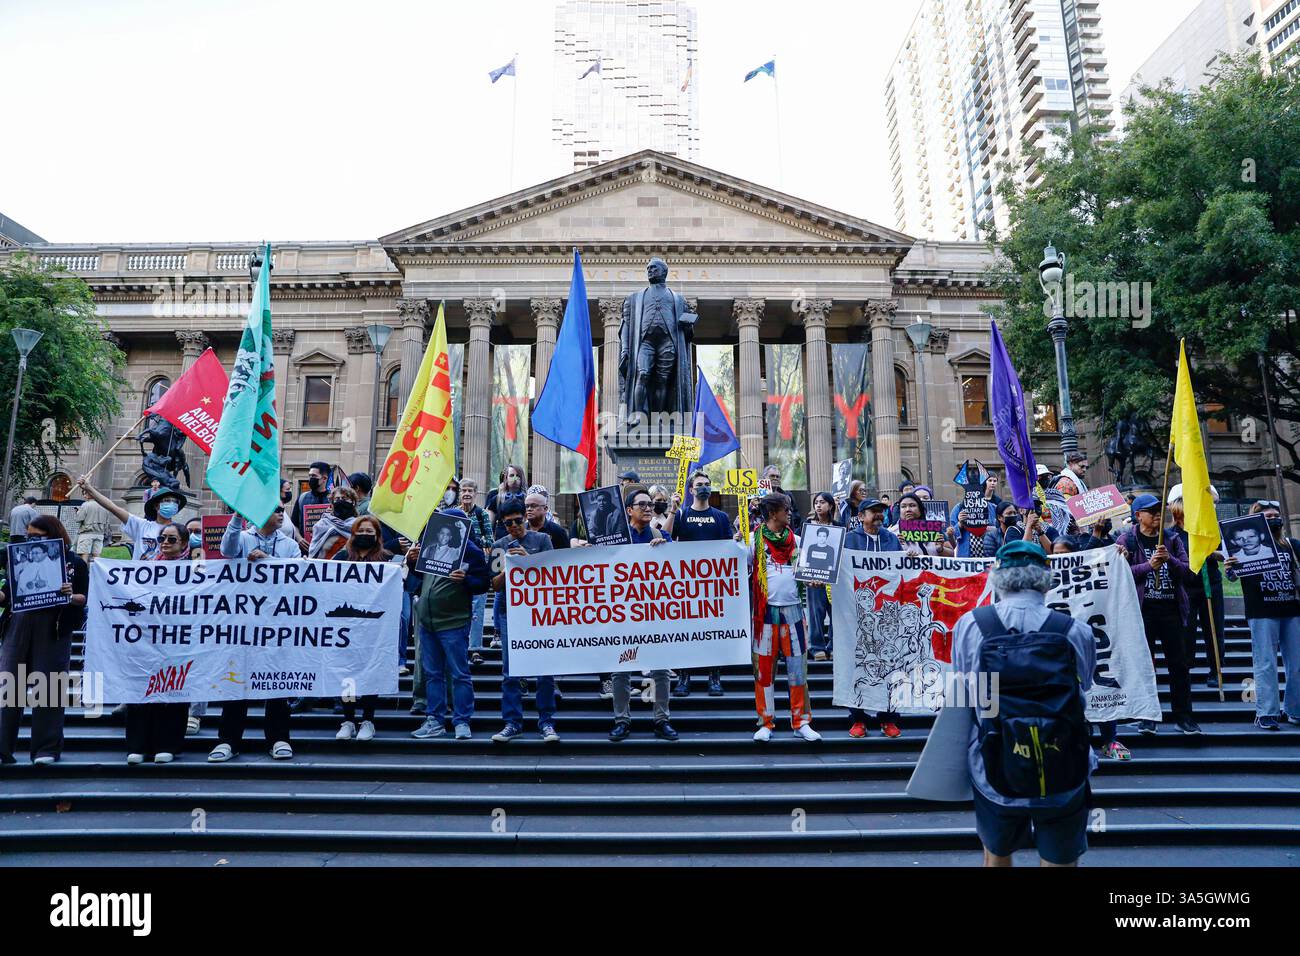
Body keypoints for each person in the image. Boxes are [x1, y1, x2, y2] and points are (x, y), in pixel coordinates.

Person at [951, 539, 1096, 866]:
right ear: (1045, 576)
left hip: (994, 762)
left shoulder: (971, 625)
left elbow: (962, 689)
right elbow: (1084, 684)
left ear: (996, 576)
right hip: (1064, 762)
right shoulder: (1074, 630)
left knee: (997, 855)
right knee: (1061, 859)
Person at [0, 515, 87, 765]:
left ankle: (46, 748)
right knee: (9, 687)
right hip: (19, 623)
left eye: (36, 537)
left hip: (54, 627)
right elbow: (7, 595)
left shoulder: (74, 563)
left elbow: (84, 597)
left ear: (53, 535)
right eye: (28, 536)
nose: (30, 541)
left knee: (49, 687)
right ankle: (2, 748)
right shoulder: (18, 559)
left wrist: (70, 595)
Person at [1118, 493, 1201, 735]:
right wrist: (1149, 566)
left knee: (1179, 664)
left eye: (1158, 510)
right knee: (1145, 665)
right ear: (1137, 516)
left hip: (1171, 610)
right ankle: (1147, 716)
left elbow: (1189, 573)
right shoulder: (1127, 540)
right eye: (1150, 511)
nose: (1156, 515)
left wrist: (1170, 561)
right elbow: (1120, 574)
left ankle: (1183, 716)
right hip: (1141, 611)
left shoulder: (1172, 540)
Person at [409, 508, 491, 740]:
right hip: (427, 622)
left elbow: (483, 583)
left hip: (454, 622)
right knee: (432, 674)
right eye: (441, 529)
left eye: (451, 528)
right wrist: (411, 560)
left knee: (459, 673)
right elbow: (418, 577)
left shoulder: (471, 551)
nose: (444, 535)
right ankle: (435, 719)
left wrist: (466, 580)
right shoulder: (429, 547)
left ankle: (462, 720)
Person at [606, 487, 679, 742]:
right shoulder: (614, 540)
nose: (648, 508)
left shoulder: (663, 536)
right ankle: (622, 720)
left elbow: (678, 571)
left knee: (660, 669)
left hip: (655, 615)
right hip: (623, 615)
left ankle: (661, 719)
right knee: (621, 671)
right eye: (642, 504)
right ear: (629, 511)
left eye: (650, 504)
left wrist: (664, 553)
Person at [747, 492, 820, 743]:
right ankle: (765, 722)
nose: (789, 512)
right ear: (771, 513)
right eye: (784, 509)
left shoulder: (799, 541)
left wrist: (814, 580)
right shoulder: (752, 541)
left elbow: (812, 573)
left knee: (798, 672)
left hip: (795, 613)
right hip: (764, 615)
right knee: (764, 673)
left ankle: (801, 722)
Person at [1051, 536, 1131, 760]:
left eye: (1063, 554)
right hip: (1060, 647)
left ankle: (1109, 740)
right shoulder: (1046, 577)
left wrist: (1119, 558)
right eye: (1055, 555)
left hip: (1092, 641)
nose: (1059, 559)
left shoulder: (1091, 571)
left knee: (1101, 686)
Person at [488, 500, 560, 743]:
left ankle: (546, 722)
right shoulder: (499, 546)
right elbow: (495, 586)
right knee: (510, 672)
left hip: (540, 614)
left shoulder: (543, 540)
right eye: (508, 523)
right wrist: (510, 568)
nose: (515, 526)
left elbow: (554, 575)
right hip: (511, 613)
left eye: (519, 520)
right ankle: (512, 722)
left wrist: (527, 560)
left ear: (525, 520)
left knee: (544, 671)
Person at [1225, 500, 1300, 731]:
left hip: (1292, 610)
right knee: (1265, 663)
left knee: (1297, 664)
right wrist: (1230, 566)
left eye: (1276, 515)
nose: (1273, 519)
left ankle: (1295, 709)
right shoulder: (1241, 548)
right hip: (1262, 611)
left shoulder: (1292, 544)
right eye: (1267, 517)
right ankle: (1267, 712)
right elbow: (1232, 577)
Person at [124, 521, 191, 765]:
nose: (165, 542)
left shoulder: (196, 570)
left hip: (178, 640)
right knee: (142, 688)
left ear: (184, 543)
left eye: (172, 539)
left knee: (174, 688)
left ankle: (168, 744)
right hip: (147, 638)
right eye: (162, 538)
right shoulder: (146, 568)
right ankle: (137, 745)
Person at [334, 515, 402, 743]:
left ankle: (368, 720)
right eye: (360, 531)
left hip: (376, 629)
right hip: (347, 629)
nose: (365, 535)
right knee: (348, 676)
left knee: (371, 673)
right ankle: (348, 720)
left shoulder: (387, 558)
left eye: (369, 531)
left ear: (377, 536)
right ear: (353, 534)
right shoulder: (342, 557)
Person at [844, 498, 906, 738]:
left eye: (881, 512)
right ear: (861, 516)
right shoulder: (849, 539)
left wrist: (908, 557)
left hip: (887, 614)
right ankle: (858, 719)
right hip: (856, 614)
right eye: (873, 512)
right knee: (858, 666)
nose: (879, 515)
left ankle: (888, 719)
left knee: (890, 666)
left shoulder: (891, 539)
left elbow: (901, 569)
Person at [671, 471, 733, 696]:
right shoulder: (681, 515)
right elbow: (667, 539)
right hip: (686, 586)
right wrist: (672, 509)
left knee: (713, 633)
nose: (704, 487)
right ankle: (684, 677)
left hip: (713, 587)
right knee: (686, 633)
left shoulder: (721, 517)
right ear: (691, 490)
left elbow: (729, 549)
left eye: (707, 484)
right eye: (699, 485)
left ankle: (714, 677)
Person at [1167, 483, 1225, 689]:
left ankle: (1215, 669)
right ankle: (1186, 667)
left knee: (1214, 628)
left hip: (1210, 582)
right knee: (1186, 629)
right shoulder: (1170, 534)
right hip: (1185, 586)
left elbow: (1221, 553)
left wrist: (1210, 553)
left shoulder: (1207, 530)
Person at [76, 476, 185, 561]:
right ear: (156, 506)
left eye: (174, 502)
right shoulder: (141, 526)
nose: (171, 504)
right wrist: (89, 488)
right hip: (140, 582)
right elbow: (112, 507)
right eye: (167, 501)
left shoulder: (181, 531)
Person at [458, 479, 494, 666]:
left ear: (475, 493)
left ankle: (475, 649)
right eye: (463, 490)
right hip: (457, 567)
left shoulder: (481, 514)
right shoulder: (454, 513)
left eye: (470, 490)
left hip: (476, 565)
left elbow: (489, 540)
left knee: (478, 609)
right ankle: (461, 647)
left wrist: (475, 541)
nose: (466, 493)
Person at [802, 491, 841, 663]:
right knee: (815, 613)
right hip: (813, 579)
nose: (818, 505)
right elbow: (801, 553)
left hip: (834, 579)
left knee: (836, 613)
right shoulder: (807, 526)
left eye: (823, 502)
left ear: (831, 505)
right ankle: (817, 646)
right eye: (816, 502)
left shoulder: (840, 526)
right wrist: (805, 576)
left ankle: (833, 646)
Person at [219, 503, 300, 559]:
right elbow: (227, 552)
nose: (281, 513)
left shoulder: (292, 546)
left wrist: (305, 565)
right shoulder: (243, 538)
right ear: (263, 512)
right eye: (277, 510)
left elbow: (298, 576)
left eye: (283, 510)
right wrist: (238, 515)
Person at [890, 493, 954, 557]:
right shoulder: (892, 532)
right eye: (903, 506)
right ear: (899, 511)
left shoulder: (933, 528)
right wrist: (896, 546)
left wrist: (940, 549)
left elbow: (951, 554)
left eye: (912, 505)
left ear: (920, 510)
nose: (908, 509)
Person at [307, 484, 360, 560]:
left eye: (344, 498)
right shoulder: (321, 525)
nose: (340, 501)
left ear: (353, 502)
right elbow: (313, 552)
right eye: (337, 499)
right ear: (332, 504)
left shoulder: (360, 526)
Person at [949, 490, 1002, 558]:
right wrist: (960, 524)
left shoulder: (993, 508)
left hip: (989, 556)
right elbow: (952, 534)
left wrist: (990, 529)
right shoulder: (958, 508)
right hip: (967, 556)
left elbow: (1002, 531)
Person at [486, 463, 527, 540]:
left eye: (518, 476)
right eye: (511, 475)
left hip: (524, 540)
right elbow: (489, 526)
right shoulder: (496, 499)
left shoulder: (527, 499)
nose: (515, 479)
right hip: (501, 542)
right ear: (506, 478)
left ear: (522, 479)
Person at [291, 462, 332, 535]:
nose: (310, 479)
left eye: (314, 476)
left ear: (324, 478)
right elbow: (294, 523)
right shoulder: (302, 498)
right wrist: (299, 539)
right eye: (309, 476)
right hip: (306, 545)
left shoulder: (333, 499)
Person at [762, 464, 802, 529]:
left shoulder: (788, 495)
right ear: (764, 478)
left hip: (785, 534)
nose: (775, 478)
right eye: (772, 476)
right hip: (762, 534)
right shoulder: (757, 497)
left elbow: (796, 516)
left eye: (777, 477)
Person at [74, 496, 112, 562]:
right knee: (97, 556)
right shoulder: (104, 506)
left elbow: (79, 518)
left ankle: (83, 572)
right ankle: (97, 571)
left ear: (88, 495)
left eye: (85, 494)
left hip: (86, 534)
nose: (84, 496)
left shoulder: (86, 505)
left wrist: (77, 512)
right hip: (100, 534)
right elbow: (107, 522)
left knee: (84, 555)